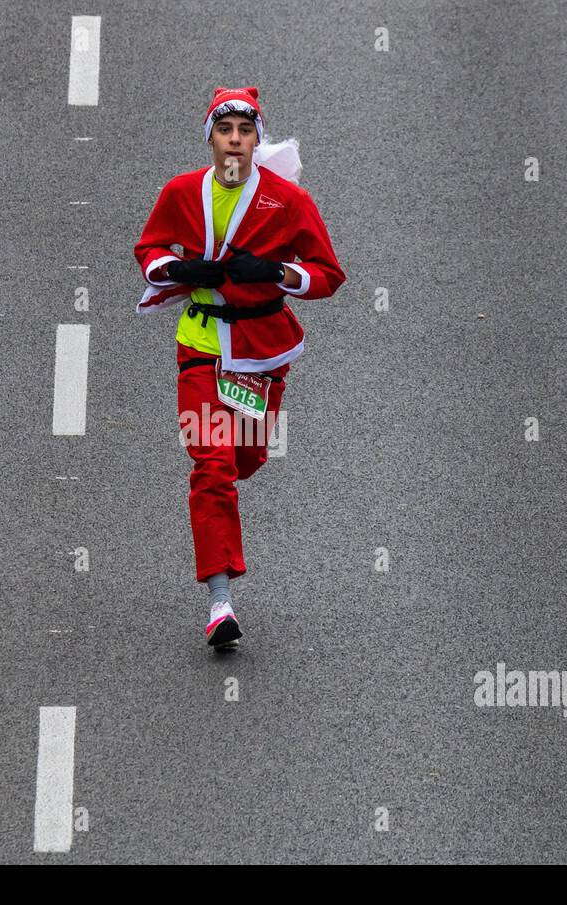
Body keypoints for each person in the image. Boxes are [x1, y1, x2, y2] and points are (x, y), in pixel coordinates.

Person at [133, 86, 345, 649]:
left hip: (261, 350)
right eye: (224, 131)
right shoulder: (181, 192)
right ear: (210, 138)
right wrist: (184, 267)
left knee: (246, 457)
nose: (234, 141)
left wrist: (276, 273)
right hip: (201, 342)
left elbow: (327, 274)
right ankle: (219, 601)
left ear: (256, 140)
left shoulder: (287, 202)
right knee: (212, 464)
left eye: (244, 132)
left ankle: (222, 561)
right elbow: (148, 253)